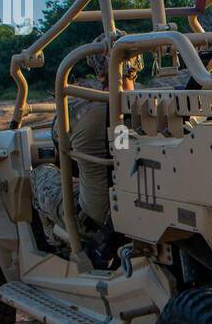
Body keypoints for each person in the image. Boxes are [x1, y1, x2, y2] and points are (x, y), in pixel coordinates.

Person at [31, 34, 142, 244]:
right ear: (137, 64)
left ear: (99, 72)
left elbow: (58, 140)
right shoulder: (160, 104)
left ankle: (59, 245)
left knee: (40, 174)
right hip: (147, 211)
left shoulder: (78, 109)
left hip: (98, 217)